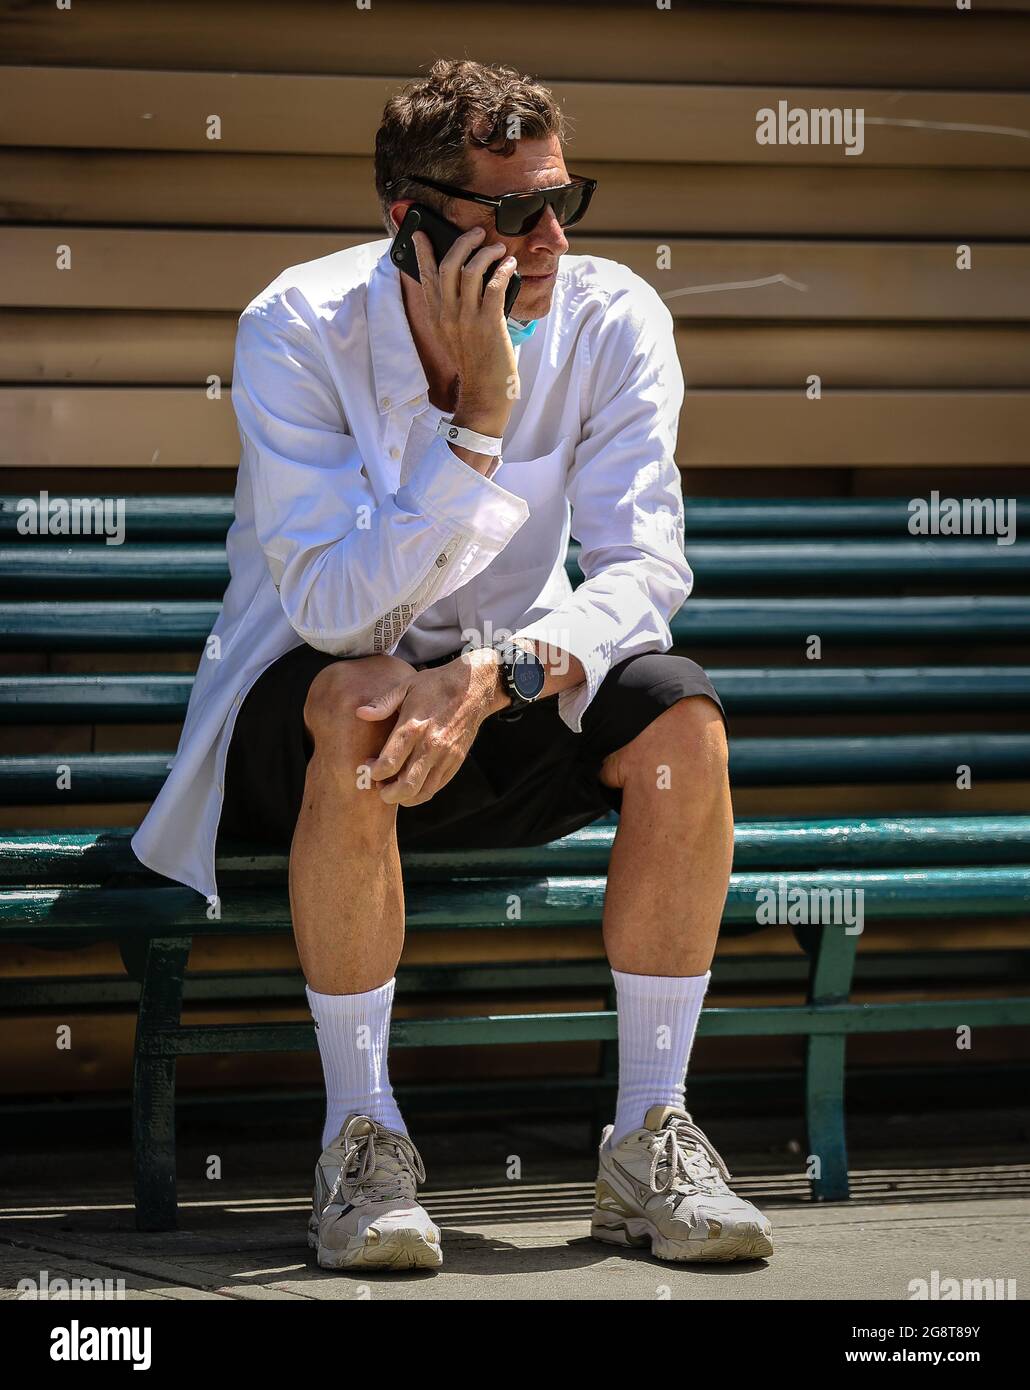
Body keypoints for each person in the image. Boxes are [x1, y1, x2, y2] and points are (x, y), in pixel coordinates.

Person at [132, 57, 773, 1272]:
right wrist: (476, 418)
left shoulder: (612, 315)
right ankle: (362, 1141)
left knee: (679, 717)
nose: (545, 242)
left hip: (499, 701)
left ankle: (650, 1132)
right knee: (363, 695)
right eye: (510, 214)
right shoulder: (297, 327)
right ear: (408, 221)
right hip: (308, 725)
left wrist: (491, 679)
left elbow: (643, 571)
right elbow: (328, 608)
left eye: (562, 205)